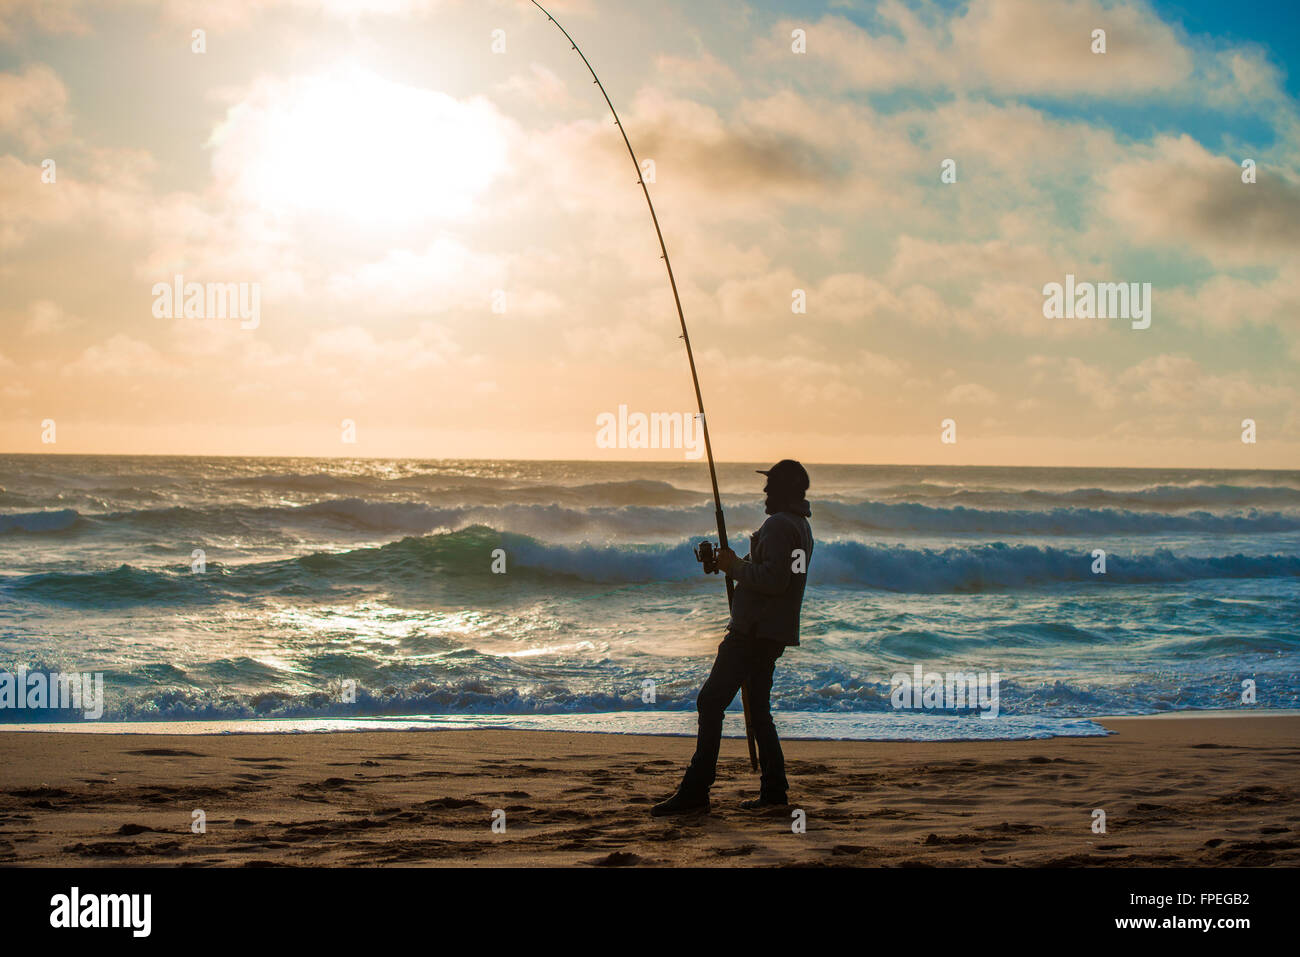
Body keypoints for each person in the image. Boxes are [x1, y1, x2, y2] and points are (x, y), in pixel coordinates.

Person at [652, 459, 814, 816]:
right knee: (758, 711)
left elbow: (773, 581)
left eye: (771, 486)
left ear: (783, 490)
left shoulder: (777, 525)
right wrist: (732, 563)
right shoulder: (800, 526)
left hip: (752, 632)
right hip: (771, 632)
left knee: (711, 702)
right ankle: (774, 790)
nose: (765, 491)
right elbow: (775, 572)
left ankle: (697, 788)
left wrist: (733, 567)